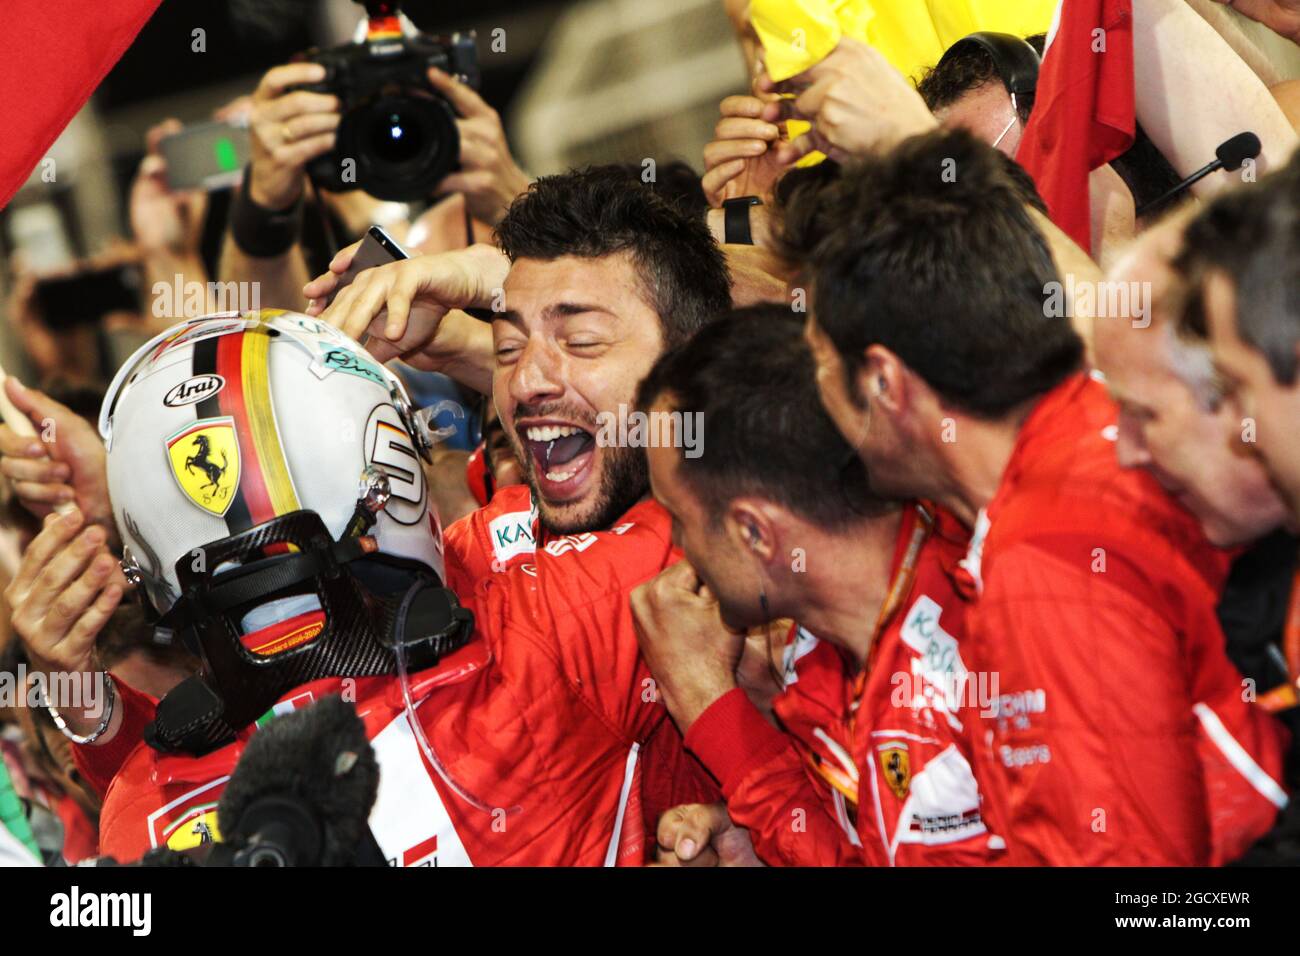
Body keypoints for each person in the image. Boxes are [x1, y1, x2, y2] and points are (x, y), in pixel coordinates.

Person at [12, 169, 732, 865]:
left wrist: (85, 699)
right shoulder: (558, 617)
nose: (529, 374)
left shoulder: (146, 803)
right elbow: (765, 406)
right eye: (518, 350)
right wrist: (491, 288)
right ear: (388, 464)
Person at [795, 128, 1289, 865]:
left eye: (818, 366)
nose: (815, 397)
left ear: (887, 383)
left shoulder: (1046, 553)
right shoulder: (1102, 433)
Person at [630, 306, 1003, 866]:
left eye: (678, 519)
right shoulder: (830, 636)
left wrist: (709, 707)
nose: (679, 552)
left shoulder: (946, 678)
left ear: (754, 532)